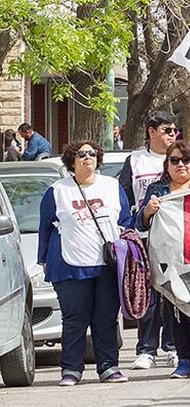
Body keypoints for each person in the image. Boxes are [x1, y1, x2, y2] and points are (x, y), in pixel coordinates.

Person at [38, 141, 132, 385]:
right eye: (82, 154)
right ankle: (71, 370)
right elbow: (45, 228)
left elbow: (126, 221)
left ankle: (109, 367)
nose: (87, 157)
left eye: (92, 153)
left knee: (105, 319)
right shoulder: (58, 191)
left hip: (106, 266)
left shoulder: (111, 186)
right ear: (72, 160)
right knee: (74, 319)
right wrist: (43, 259)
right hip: (70, 265)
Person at [137, 143, 190, 379]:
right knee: (176, 311)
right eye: (174, 160)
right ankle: (183, 361)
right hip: (168, 262)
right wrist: (148, 211)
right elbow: (139, 223)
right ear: (167, 165)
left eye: (186, 160)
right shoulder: (157, 190)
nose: (180, 165)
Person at [122, 111, 178, 371]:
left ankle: (173, 347)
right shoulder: (135, 161)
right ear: (151, 131)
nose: (172, 135)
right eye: (167, 130)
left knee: (174, 295)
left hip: (174, 239)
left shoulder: (179, 158)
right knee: (149, 297)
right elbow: (123, 197)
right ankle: (146, 349)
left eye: (174, 130)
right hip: (144, 237)